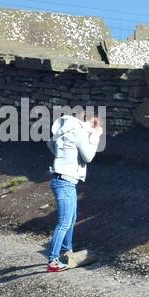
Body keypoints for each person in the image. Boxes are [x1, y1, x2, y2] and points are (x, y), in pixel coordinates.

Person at [46, 113, 102, 273]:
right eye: (95, 124)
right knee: (64, 222)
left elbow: (50, 143)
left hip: (64, 180)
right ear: (87, 122)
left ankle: (67, 252)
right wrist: (96, 136)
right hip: (65, 182)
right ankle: (52, 261)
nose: (96, 128)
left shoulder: (65, 130)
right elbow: (89, 157)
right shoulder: (78, 131)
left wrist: (63, 158)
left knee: (71, 219)